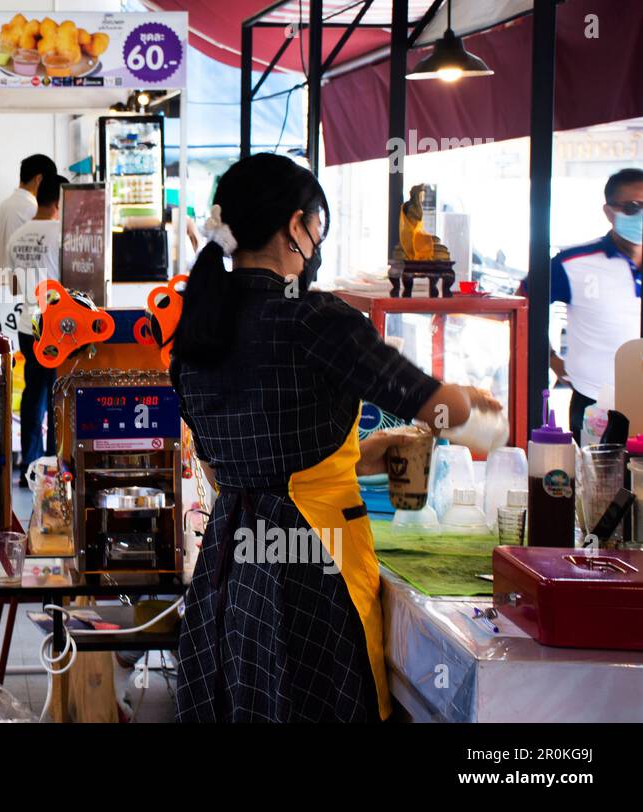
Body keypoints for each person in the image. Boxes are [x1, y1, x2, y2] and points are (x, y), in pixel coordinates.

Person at [171, 153, 500, 722]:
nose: (318, 243)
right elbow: (437, 405)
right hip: (316, 565)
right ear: (296, 227)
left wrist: (377, 451)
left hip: (230, 563)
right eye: (318, 227)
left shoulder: (198, 334)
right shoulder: (315, 319)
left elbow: (259, 460)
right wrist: (479, 408)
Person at [527, 168, 643, 440]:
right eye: (633, 207)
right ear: (609, 212)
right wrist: (552, 359)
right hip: (595, 404)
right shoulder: (573, 262)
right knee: (597, 481)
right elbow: (524, 308)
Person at [5, 172, 66, 486]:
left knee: (34, 390)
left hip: (27, 324)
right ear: (60, 199)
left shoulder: (18, 236)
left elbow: (12, 284)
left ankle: (30, 462)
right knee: (58, 392)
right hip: (56, 325)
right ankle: (56, 462)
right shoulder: (62, 234)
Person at [0, 154, 57, 270]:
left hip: (5, 282)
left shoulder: (2, 207)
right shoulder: (33, 209)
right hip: (25, 283)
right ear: (39, 179)